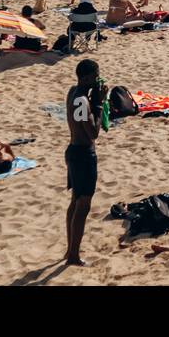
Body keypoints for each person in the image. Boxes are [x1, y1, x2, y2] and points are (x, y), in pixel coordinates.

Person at [65, 59, 105, 266]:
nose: (98, 79)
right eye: (96, 75)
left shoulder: (73, 91)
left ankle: (69, 249)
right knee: (83, 205)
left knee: (75, 201)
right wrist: (99, 103)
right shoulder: (82, 101)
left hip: (73, 152)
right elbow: (93, 132)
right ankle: (73, 255)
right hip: (83, 155)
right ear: (87, 77)